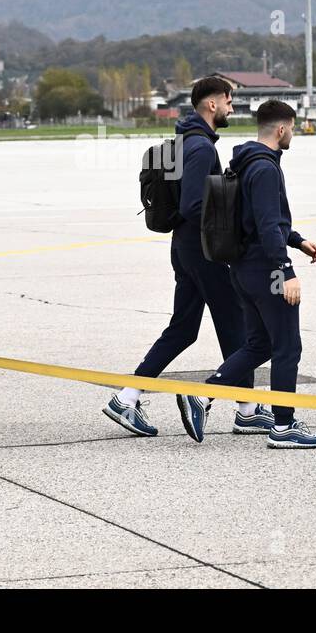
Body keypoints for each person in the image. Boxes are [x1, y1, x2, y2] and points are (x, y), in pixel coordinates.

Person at [103, 76, 277, 437]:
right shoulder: (200, 148)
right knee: (236, 325)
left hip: (184, 246)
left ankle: (127, 397)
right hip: (201, 248)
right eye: (228, 100)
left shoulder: (186, 141)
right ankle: (245, 409)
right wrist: (230, 227)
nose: (232, 107)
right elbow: (193, 204)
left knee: (183, 329)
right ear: (211, 104)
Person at [177, 98, 316, 449]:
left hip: (243, 269)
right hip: (267, 270)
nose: (293, 135)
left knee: (258, 344)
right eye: (293, 129)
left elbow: (257, 220)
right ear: (282, 128)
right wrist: (286, 270)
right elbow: (267, 224)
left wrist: (297, 240)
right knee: (288, 347)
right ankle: (284, 426)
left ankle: (203, 395)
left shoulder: (245, 162)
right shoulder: (266, 169)